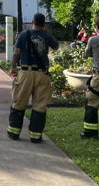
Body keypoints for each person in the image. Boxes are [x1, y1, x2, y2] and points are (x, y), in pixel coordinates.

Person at [7, 13, 59, 143]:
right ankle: (36, 136)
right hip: (42, 73)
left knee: (19, 102)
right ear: (44, 24)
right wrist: (46, 33)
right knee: (40, 105)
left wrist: (13, 67)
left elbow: (16, 53)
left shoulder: (23, 34)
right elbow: (56, 46)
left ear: (32, 22)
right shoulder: (46, 36)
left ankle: (14, 132)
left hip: (26, 72)